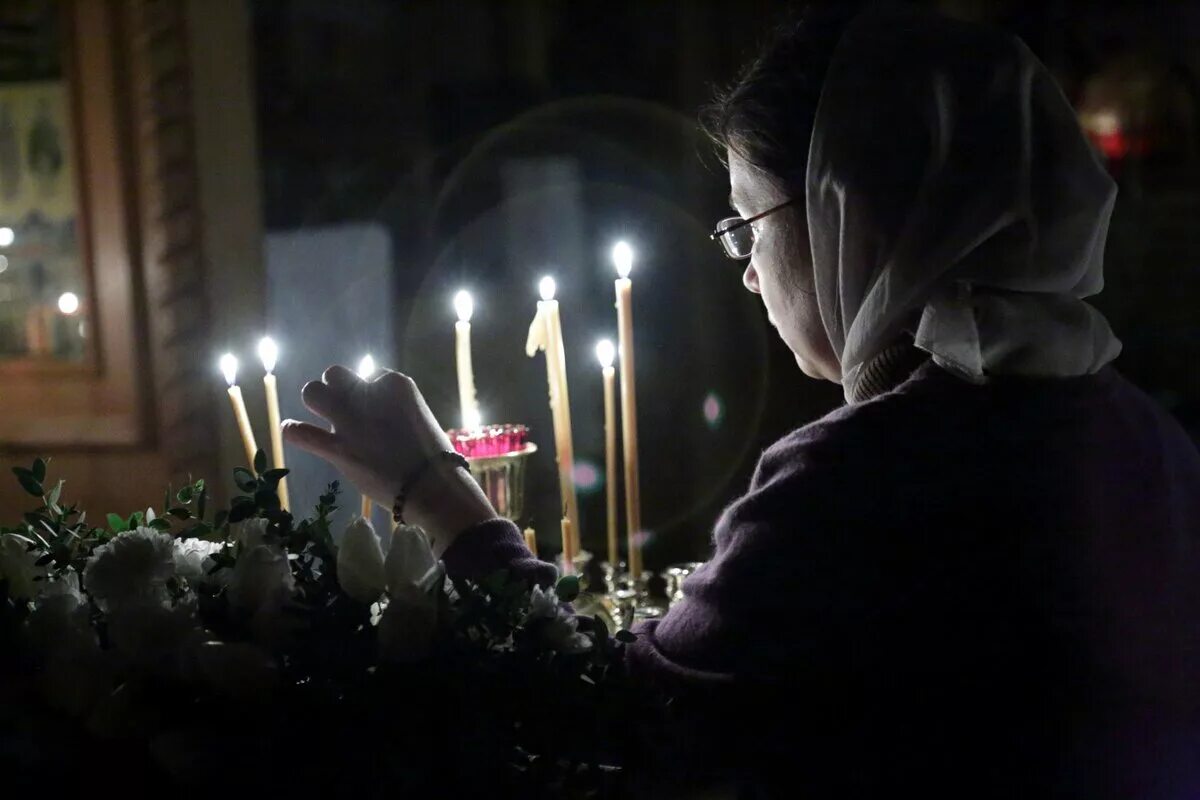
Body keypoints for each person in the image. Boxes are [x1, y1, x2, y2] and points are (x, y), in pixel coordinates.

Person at [284, 2, 1200, 795]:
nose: (751, 276)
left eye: (747, 225)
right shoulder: (1151, 441)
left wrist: (439, 495)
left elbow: (609, 721)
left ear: (849, 210)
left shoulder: (859, 481)